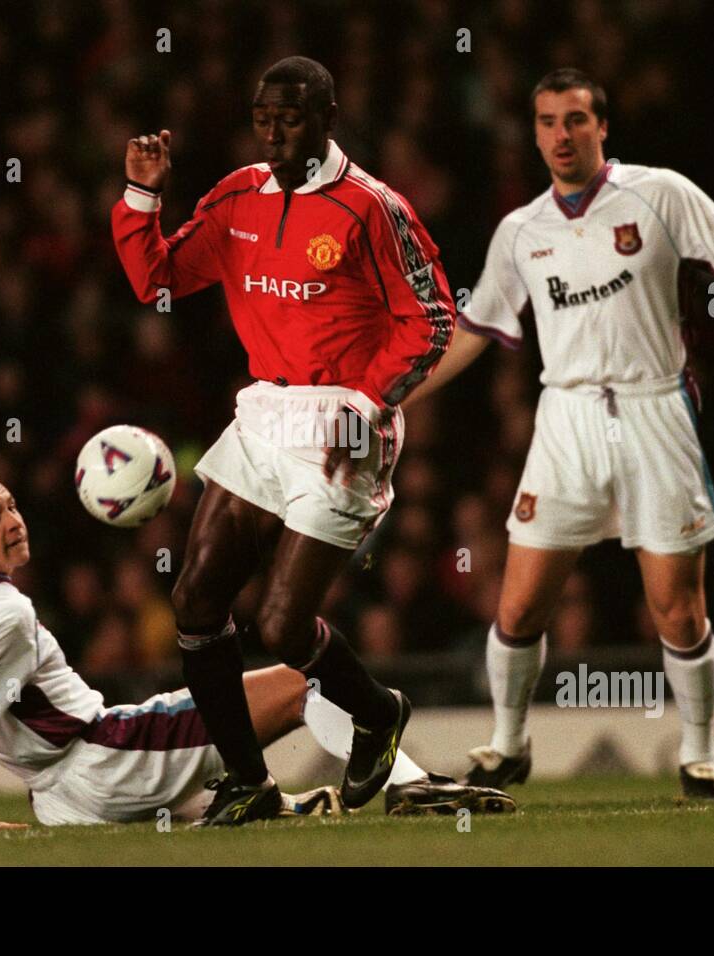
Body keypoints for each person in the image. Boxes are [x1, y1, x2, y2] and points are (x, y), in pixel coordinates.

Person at [408, 69, 714, 799]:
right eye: (547, 121)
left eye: (575, 119)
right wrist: (399, 397)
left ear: (602, 128)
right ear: (534, 132)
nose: (561, 134)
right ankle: (508, 743)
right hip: (567, 418)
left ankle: (701, 752)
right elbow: (478, 326)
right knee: (518, 604)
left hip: (654, 408)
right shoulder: (521, 231)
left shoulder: (659, 194)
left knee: (676, 609)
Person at [112, 56, 456, 822]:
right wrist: (142, 195)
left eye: (290, 118)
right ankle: (247, 780)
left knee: (280, 626)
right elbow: (158, 279)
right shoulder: (238, 196)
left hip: (343, 420)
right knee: (195, 600)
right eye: (263, 117)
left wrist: (367, 403)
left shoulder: (372, 208)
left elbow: (432, 319)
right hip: (265, 411)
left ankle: (376, 712)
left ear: (328, 117)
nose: (272, 132)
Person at [0, 477, 511, 834]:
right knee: (300, 684)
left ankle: (289, 809)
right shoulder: (6, 611)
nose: (14, 520)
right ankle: (409, 786)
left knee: (228, 801)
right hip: (112, 752)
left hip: (58, 800)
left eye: (13, 507)